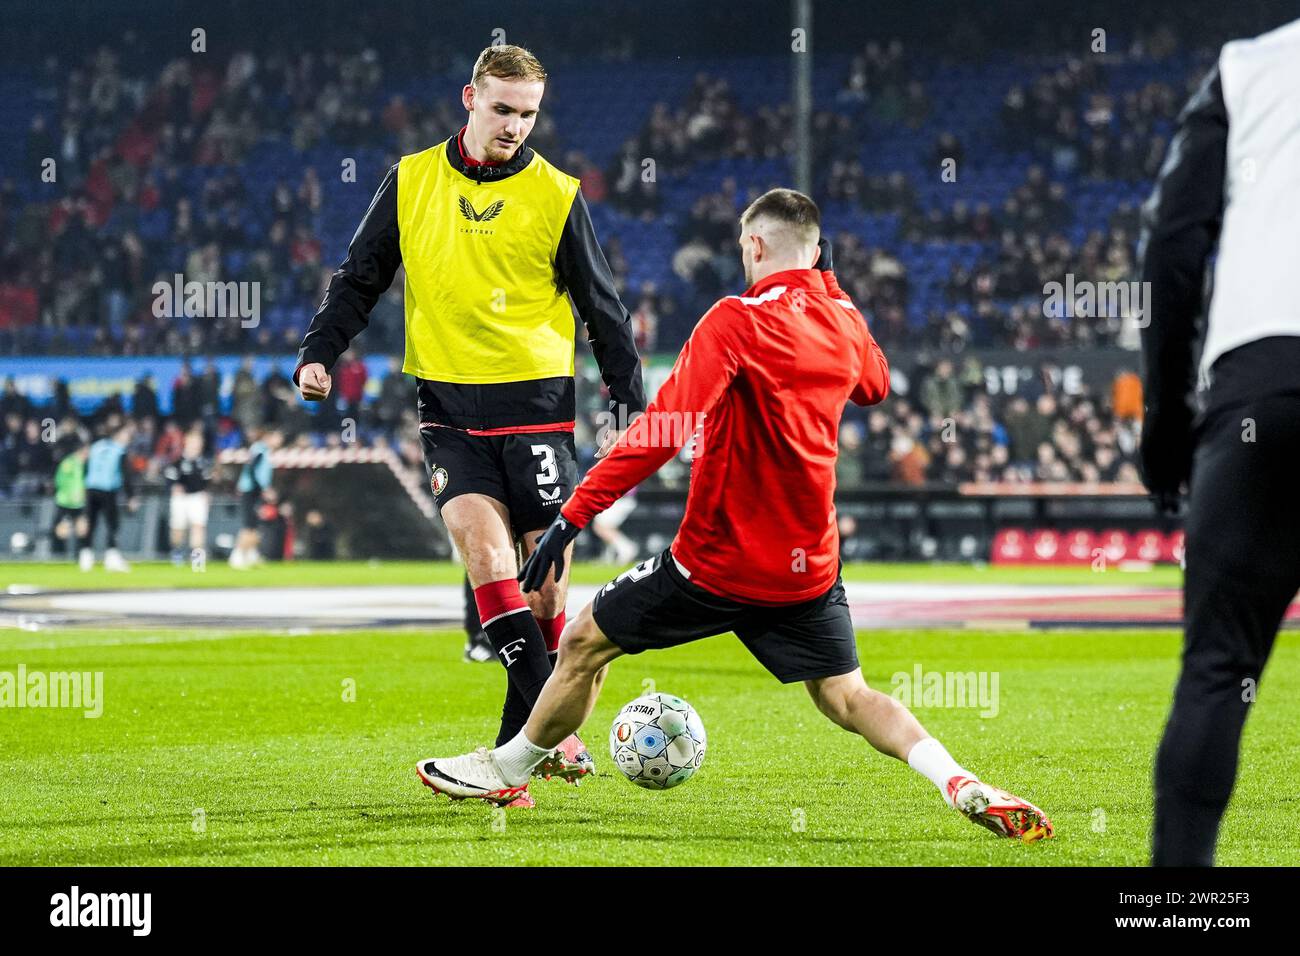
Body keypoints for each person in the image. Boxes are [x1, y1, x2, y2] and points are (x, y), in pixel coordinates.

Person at [416, 189, 1055, 842]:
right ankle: (959, 781)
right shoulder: (841, 319)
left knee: (583, 642)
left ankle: (507, 767)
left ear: (753, 246)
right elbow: (877, 384)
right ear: (814, 252)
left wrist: (577, 513)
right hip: (809, 568)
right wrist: (831, 285)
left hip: (716, 563)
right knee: (848, 697)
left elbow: (664, 429)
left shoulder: (736, 320)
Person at [293, 44, 647, 807]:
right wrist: (319, 352)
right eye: (503, 110)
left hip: (539, 412)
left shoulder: (557, 194)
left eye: (528, 114)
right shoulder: (412, 178)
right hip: (448, 410)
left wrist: (628, 399)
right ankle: (553, 742)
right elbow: (360, 276)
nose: (515, 126)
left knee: (546, 594)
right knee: (488, 563)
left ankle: (511, 760)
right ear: (470, 99)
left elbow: (603, 306)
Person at [1139, 16, 1300, 866]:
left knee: (1217, 669)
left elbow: (1169, 246)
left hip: (1261, 380)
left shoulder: (1247, 67)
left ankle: (1180, 914)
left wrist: (1166, 420)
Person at [81, 423, 138, 572]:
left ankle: (86, 557)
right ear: (118, 435)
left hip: (91, 488)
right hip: (108, 490)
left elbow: (85, 468)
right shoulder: (119, 451)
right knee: (112, 524)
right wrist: (131, 496)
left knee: (91, 524)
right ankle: (111, 557)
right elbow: (126, 475)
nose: (128, 439)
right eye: (126, 435)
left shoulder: (96, 447)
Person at [230, 428, 282, 569]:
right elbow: (253, 469)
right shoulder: (260, 449)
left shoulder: (262, 450)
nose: (280, 440)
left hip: (254, 491)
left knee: (254, 526)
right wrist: (264, 488)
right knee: (249, 526)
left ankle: (251, 555)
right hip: (250, 491)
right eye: (277, 436)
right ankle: (237, 556)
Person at [164, 428, 213, 569]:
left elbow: (207, 482)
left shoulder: (204, 463)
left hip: (197, 497)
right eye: (194, 442)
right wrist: (174, 487)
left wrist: (207, 493)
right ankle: (177, 552)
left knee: (198, 527)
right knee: (178, 529)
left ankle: (197, 560)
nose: (197, 445)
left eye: (199, 443)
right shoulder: (177, 461)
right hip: (180, 498)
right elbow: (169, 480)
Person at [51, 443, 89, 560]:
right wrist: (71, 494)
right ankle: (58, 556)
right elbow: (60, 480)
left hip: (78, 503)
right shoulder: (68, 463)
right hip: (65, 502)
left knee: (82, 529)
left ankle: (79, 556)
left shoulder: (82, 465)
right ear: (81, 451)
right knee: (61, 531)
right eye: (87, 452)